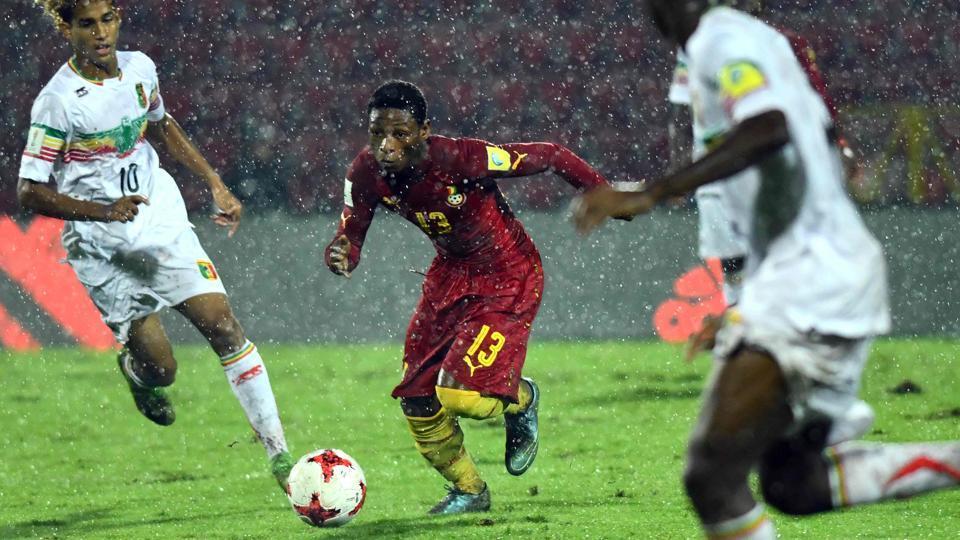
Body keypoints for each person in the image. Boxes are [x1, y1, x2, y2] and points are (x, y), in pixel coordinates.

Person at [573, 2, 960, 538]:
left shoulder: (719, 40)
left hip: (812, 281)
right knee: (792, 484)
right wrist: (747, 307)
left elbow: (770, 126)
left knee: (712, 478)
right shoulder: (743, 41)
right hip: (809, 275)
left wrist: (654, 191)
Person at [18, 0, 292, 490]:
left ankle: (280, 455)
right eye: (86, 24)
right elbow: (29, 189)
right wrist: (104, 211)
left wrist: (214, 182)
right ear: (67, 29)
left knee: (223, 325)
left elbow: (162, 126)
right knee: (162, 369)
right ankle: (137, 373)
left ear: (118, 18)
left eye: (107, 20)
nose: (100, 33)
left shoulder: (141, 68)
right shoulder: (58, 101)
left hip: (158, 218)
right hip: (102, 244)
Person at [325, 80, 614, 515]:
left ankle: (523, 399)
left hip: (507, 273)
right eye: (377, 133)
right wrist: (344, 250)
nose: (386, 145)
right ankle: (470, 490)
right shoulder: (365, 172)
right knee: (417, 398)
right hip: (449, 278)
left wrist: (602, 192)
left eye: (399, 134)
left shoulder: (460, 158)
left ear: (423, 131)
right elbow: (352, 231)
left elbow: (551, 155)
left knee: (462, 398)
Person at [666, 0, 857, 359]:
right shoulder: (696, 46)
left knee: (777, 260)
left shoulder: (781, 43)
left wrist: (838, 146)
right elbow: (679, 109)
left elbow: (815, 99)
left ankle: (776, 341)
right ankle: (748, 342)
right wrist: (678, 172)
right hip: (718, 175)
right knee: (734, 263)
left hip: (772, 172)